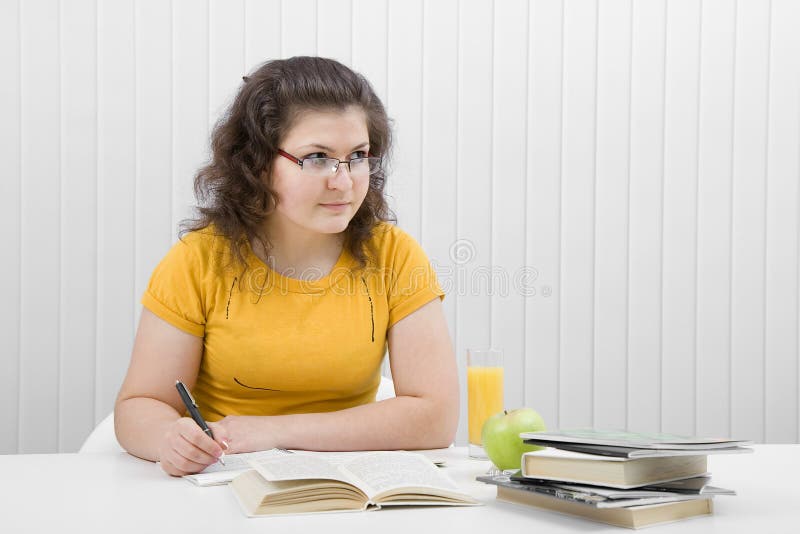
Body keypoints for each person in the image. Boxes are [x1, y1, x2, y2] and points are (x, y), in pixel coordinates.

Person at [114, 56, 459, 476]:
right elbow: (138, 407)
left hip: (348, 485)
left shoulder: (395, 256)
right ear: (258, 162)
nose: (344, 181)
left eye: (358, 155)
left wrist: (273, 431)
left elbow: (435, 418)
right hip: (225, 483)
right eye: (317, 157)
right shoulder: (198, 260)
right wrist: (169, 438)